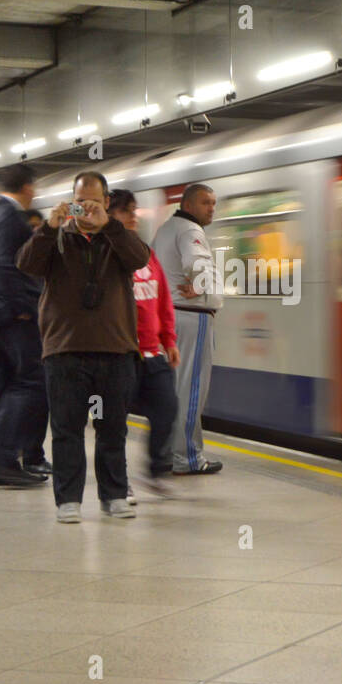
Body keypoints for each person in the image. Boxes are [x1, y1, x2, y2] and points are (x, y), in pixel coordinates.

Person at [18, 170, 150, 522]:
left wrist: (111, 226)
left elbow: (140, 259)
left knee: (112, 429)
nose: (86, 209)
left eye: (94, 202)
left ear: (107, 203)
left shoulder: (118, 238)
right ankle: (68, 500)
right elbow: (26, 264)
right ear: (70, 203)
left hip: (115, 348)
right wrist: (49, 227)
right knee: (66, 429)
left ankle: (114, 495)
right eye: (80, 202)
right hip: (64, 350)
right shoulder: (57, 238)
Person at [0, 164, 49, 489]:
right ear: (28, 187)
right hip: (10, 316)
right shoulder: (12, 219)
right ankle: (3, 462)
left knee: (1, 387)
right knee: (30, 382)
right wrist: (25, 310)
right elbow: (6, 267)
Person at [107, 189, 180, 497]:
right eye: (127, 212)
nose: (133, 217)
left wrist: (169, 339)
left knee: (167, 408)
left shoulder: (145, 253)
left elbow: (161, 296)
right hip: (120, 354)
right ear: (109, 217)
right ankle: (118, 482)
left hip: (152, 352)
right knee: (114, 422)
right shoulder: (104, 255)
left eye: (134, 211)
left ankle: (157, 469)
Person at [151, 182, 224, 475]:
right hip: (192, 318)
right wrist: (205, 284)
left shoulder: (166, 229)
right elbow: (197, 264)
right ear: (190, 205)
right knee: (191, 389)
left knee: (174, 390)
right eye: (206, 203)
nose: (212, 209)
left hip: (171, 318)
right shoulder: (190, 231)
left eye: (213, 203)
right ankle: (188, 458)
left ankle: (168, 453)